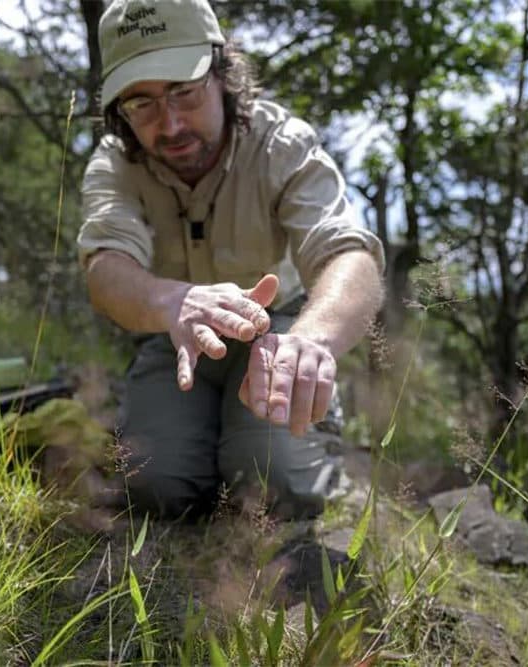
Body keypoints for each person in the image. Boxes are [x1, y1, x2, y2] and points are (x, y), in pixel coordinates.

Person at [78, 0, 385, 520]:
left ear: (223, 73)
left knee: (275, 486)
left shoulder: (281, 143)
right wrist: (174, 301)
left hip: (277, 328)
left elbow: (348, 255)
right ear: (120, 110)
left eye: (184, 91)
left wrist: (310, 343)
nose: (170, 124)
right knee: (153, 486)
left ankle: (304, 439)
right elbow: (105, 268)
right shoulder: (115, 162)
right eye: (141, 104)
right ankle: (206, 430)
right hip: (174, 337)